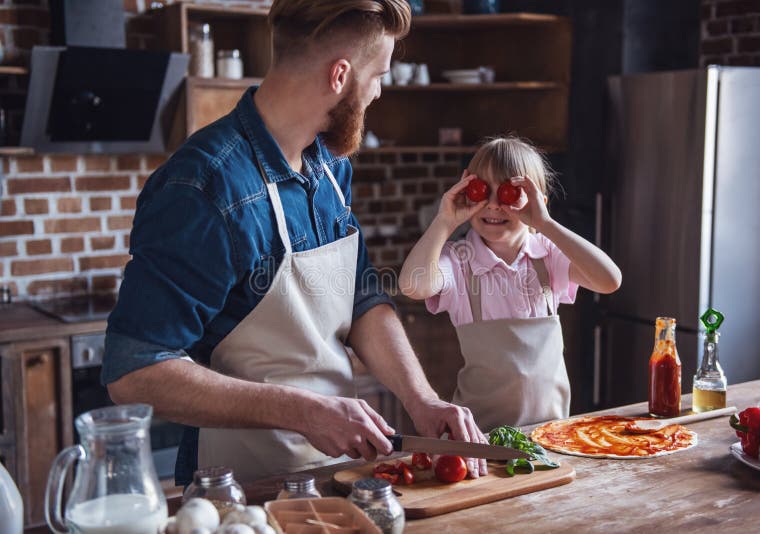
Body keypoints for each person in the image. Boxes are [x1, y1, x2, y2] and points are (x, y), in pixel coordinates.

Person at [101, 0, 487, 486]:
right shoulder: (203, 187)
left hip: (337, 473)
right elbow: (133, 371)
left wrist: (421, 399)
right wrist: (305, 412)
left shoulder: (329, 166)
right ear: (340, 76)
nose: (379, 92)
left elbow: (362, 297)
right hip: (240, 487)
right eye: (378, 75)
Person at [398, 137, 622, 429]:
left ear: (538, 202)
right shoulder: (460, 260)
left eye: (508, 193)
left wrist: (546, 225)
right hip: (481, 436)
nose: (492, 205)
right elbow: (412, 286)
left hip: (549, 432)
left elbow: (610, 280)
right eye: (481, 192)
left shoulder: (548, 255)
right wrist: (445, 221)